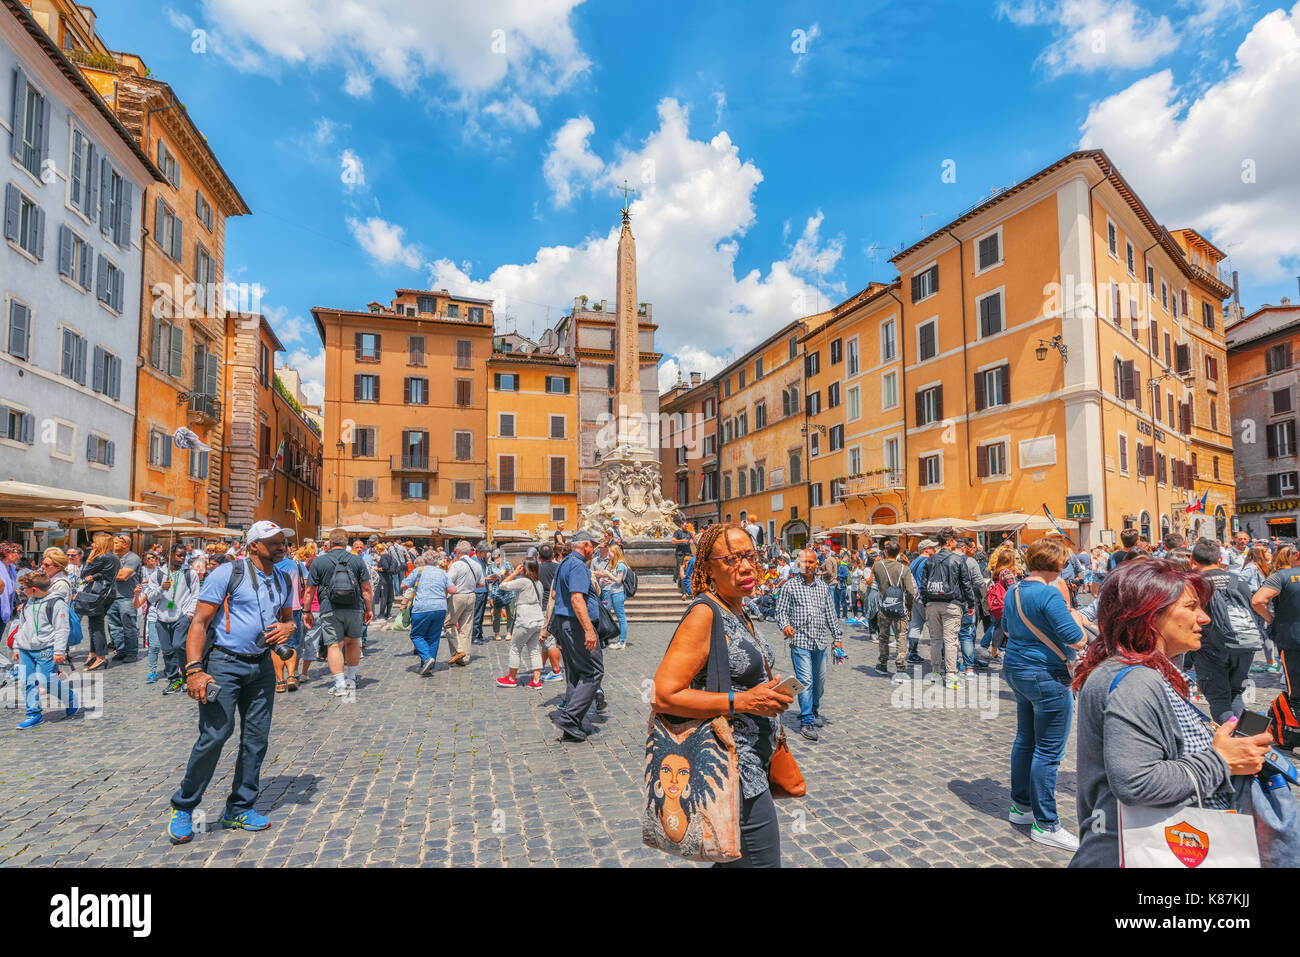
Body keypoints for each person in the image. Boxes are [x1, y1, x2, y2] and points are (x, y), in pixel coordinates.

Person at [1070, 559, 1274, 867]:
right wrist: (1221, 760)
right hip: (1131, 852)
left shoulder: (1131, 670)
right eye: (1191, 607)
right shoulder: (1136, 680)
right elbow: (1136, 781)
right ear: (1150, 613)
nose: (1203, 618)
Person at [651, 523, 792, 867]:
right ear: (708, 567)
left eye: (749, 556)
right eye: (731, 559)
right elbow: (662, 694)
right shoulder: (704, 613)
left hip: (752, 763)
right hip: (733, 772)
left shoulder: (738, 608)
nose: (745, 566)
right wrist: (743, 701)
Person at [168, 522, 296, 844]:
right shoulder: (228, 573)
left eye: (282, 541)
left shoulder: (283, 577)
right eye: (274, 541)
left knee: (256, 739)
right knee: (214, 736)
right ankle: (184, 806)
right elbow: (199, 621)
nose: (281, 545)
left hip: (262, 666)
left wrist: (288, 629)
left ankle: (239, 807)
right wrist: (195, 670)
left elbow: (287, 618)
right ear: (253, 546)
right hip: (224, 664)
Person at [1000, 537, 1086, 851]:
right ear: (1056, 564)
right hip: (1046, 675)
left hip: (1016, 669)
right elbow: (1076, 639)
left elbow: (1007, 629)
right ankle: (1046, 823)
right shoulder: (1049, 594)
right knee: (1049, 752)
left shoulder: (1015, 589)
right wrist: (1076, 617)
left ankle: (1020, 806)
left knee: (1025, 740)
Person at [1188, 538, 1262, 723]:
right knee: (1236, 693)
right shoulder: (1239, 580)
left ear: (1192, 561)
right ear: (1220, 559)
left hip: (1209, 647)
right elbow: (1254, 609)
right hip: (1244, 643)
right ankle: (1240, 734)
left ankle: (1234, 740)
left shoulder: (1194, 583)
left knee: (1219, 698)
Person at [775, 547, 840, 742]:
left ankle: (814, 709)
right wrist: (785, 625)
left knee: (819, 682)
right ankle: (806, 720)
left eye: (812, 562)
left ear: (816, 564)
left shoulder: (822, 586)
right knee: (806, 681)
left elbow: (830, 613)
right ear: (798, 564)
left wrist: (837, 637)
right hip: (800, 640)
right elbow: (781, 611)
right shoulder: (790, 586)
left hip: (820, 640)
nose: (808, 566)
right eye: (805, 562)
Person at [547, 531, 605, 742]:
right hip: (576, 625)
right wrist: (589, 630)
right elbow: (577, 599)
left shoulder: (563, 563)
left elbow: (554, 594)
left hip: (563, 624)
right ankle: (570, 718)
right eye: (594, 547)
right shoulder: (579, 565)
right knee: (593, 672)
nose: (595, 551)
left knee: (575, 673)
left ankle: (572, 725)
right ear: (586, 545)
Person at [304, 529, 372, 698]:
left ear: (330, 542)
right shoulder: (357, 561)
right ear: (346, 542)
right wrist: (369, 609)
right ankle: (351, 678)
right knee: (353, 642)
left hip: (329, 607)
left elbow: (309, 590)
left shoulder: (319, 562)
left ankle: (340, 684)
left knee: (334, 645)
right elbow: (366, 589)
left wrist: (307, 611)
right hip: (355, 606)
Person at [9, 571, 78, 728]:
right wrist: (17, 647)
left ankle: (70, 698)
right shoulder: (28, 602)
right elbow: (22, 626)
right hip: (26, 648)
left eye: (23, 587)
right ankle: (33, 713)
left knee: (46, 680)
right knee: (27, 681)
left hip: (46, 648)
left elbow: (62, 628)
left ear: (33, 589)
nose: (21, 590)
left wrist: (59, 651)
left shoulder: (56, 604)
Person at [1250, 553, 1300, 747]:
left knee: (1296, 693)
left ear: (1295, 554)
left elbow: (1257, 601)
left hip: (1292, 640)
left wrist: (1270, 619)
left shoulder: (1282, 576)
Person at [920, 527, 979, 690]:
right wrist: (971, 604)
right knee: (951, 641)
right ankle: (952, 676)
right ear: (948, 541)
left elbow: (923, 585)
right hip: (952, 603)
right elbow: (966, 584)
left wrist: (926, 602)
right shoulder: (958, 559)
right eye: (955, 539)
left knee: (935, 640)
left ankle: (936, 673)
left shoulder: (930, 560)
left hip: (932, 603)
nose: (957, 543)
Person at [145, 543, 204, 695]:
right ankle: (174, 678)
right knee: (167, 650)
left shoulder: (190, 574)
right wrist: (161, 589)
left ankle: (185, 676)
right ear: (168, 556)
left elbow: (196, 595)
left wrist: (189, 614)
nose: (183, 558)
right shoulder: (157, 575)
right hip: (162, 617)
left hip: (182, 616)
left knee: (179, 645)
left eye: (184, 555)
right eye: (179, 555)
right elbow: (150, 598)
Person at [496, 559, 546, 688]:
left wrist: (514, 573)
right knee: (535, 650)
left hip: (525, 619)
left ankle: (512, 678)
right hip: (538, 619)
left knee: (515, 648)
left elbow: (503, 585)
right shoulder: (538, 583)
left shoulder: (523, 581)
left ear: (525, 569)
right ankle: (536, 680)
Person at [402, 557, 455, 675]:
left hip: (422, 607)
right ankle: (428, 667)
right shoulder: (443, 573)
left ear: (425, 561)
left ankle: (426, 658)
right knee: (433, 638)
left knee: (416, 635)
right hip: (440, 607)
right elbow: (452, 590)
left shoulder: (419, 570)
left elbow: (403, 585)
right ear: (436, 562)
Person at [872, 540, 917, 677]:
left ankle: (882, 664)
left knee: (883, 636)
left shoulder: (878, 565)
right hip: (900, 607)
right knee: (901, 637)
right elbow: (910, 591)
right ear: (898, 553)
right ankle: (901, 667)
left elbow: (878, 583)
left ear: (885, 552)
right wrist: (909, 606)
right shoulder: (905, 569)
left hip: (884, 606)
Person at [80, 532, 120, 671]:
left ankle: (100, 657)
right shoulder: (114, 558)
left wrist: (90, 559)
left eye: (95, 542)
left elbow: (83, 574)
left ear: (101, 544)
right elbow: (103, 574)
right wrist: (96, 575)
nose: (92, 545)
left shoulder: (101, 557)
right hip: (108, 594)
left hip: (98, 594)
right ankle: (93, 653)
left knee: (96, 626)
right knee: (93, 624)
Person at [443, 541, 482, 666]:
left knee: (448, 624)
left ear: (458, 552)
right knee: (466, 627)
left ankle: (459, 651)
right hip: (471, 595)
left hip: (458, 596)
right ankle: (464, 657)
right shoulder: (476, 564)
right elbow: (481, 584)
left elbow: (448, 582)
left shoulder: (456, 565)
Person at [107, 535, 142, 663]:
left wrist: (105, 572)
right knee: (114, 627)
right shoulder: (112, 557)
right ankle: (121, 650)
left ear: (125, 544)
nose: (113, 545)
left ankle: (132, 652)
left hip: (127, 597)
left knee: (129, 626)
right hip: (112, 596)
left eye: (116, 543)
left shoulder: (133, 558)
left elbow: (123, 575)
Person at [536, 544, 564, 681]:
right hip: (557, 605)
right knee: (547, 640)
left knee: (550, 640)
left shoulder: (537, 569)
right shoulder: (559, 567)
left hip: (544, 607)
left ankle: (556, 670)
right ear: (553, 555)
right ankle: (541, 666)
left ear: (538, 556)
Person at [906, 540, 936, 664]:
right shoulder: (927, 562)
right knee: (934, 628)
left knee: (915, 625)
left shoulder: (913, 562)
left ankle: (912, 652)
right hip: (924, 598)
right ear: (926, 549)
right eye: (933, 548)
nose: (935, 550)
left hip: (914, 597)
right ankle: (940, 655)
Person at [595, 543, 629, 649]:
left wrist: (608, 574)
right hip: (614, 592)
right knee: (619, 616)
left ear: (615, 552)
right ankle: (620, 640)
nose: (608, 554)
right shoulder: (616, 564)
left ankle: (622, 641)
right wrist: (607, 579)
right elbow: (615, 579)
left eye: (610, 552)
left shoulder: (620, 565)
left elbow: (618, 580)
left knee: (621, 617)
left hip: (618, 593)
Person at [487, 550, 515, 640]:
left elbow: (513, 576)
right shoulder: (491, 567)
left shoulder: (508, 564)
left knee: (510, 613)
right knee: (496, 614)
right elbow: (488, 578)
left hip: (508, 591)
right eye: (495, 557)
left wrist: (507, 574)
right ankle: (496, 633)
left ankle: (509, 632)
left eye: (498, 556)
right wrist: (494, 578)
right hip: (497, 592)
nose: (497, 559)